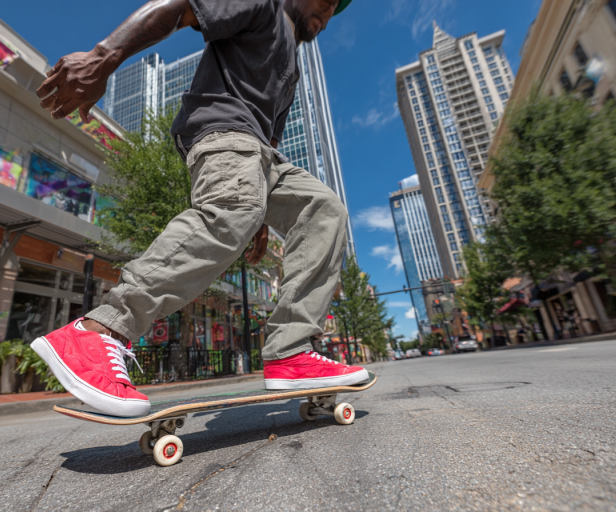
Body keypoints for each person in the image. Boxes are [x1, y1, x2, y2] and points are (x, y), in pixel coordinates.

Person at [32, 0, 367, 418]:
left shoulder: (293, 67)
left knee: (324, 209)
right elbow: (179, 7)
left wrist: (261, 209)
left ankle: (291, 350)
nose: (329, 10)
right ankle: (99, 328)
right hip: (222, 131)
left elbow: (271, 138)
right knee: (231, 208)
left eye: (337, 7)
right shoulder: (261, 4)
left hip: (261, 156)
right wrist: (103, 57)